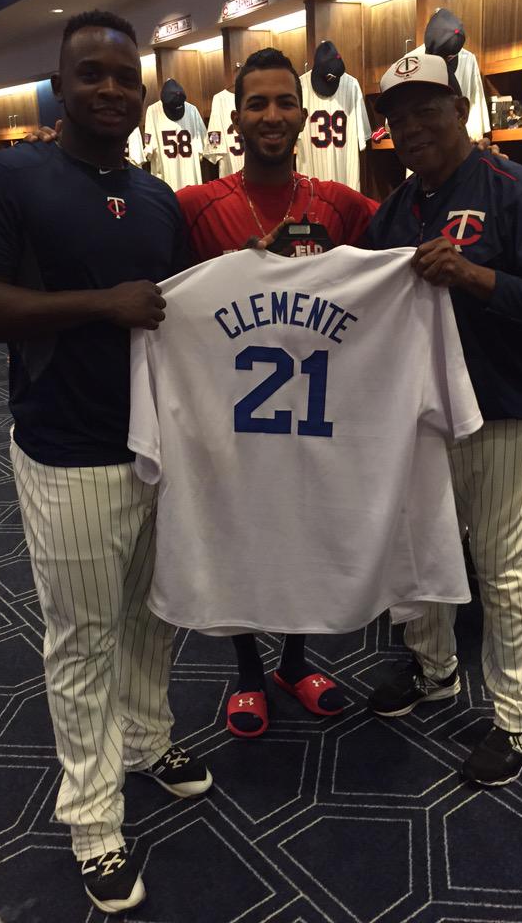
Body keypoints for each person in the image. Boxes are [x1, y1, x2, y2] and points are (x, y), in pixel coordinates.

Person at [0, 10, 212, 917]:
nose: (111, 90)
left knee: (152, 613)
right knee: (84, 638)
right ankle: (93, 820)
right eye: (91, 74)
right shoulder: (6, 178)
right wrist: (101, 305)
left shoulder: (160, 196)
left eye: (125, 78)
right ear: (59, 84)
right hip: (66, 449)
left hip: (155, 446)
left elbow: (173, 314)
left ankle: (149, 739)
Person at [364, 51, 522, 787]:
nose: (412, 128)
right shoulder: (398, 209)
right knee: (421, 556)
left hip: (502, 410)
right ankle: (434, 670)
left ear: (462, 110)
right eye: (399, 119)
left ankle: (518, 717)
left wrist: (476, 276)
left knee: (501, 569)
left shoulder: (516, 189)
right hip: (421, 417)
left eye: (427, 110)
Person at [176, 48, 379, 739]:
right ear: (236, 118)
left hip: (314, 409)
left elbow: (400, 251)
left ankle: (294, 660)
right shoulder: (197, 206)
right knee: (237, 536)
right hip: (231, 413)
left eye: (283, 102)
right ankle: (248, 673)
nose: (271, 115)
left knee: (303, 530)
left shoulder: (339, 204)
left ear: (303, 113)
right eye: (257, 103)